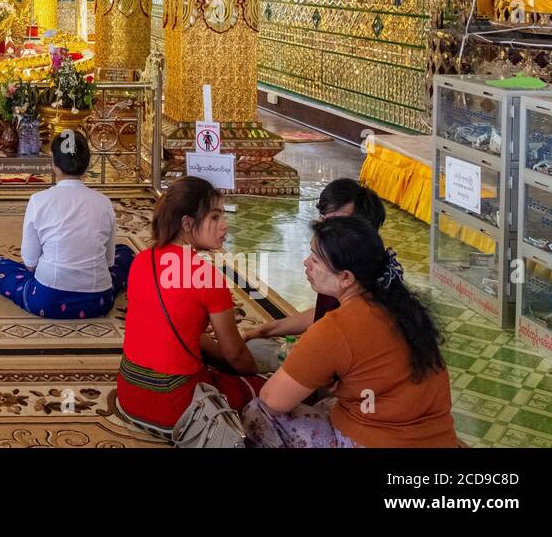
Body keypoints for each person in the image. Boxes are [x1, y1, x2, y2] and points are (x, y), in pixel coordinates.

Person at [242, 216, 457, 447]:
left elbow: (272, 400)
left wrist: (312, 370)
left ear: (346, 277)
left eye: (315, 259)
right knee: (329, 405)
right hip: (436, 437)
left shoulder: (335, 328)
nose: (306, 263)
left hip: (378, 440)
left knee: (256, 413)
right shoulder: (401, 307)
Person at [116, 176, 262, 436]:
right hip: (177, 409)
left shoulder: (141, 260)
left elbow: (172, 329)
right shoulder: (206, 276)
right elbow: (236, 356)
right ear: (187, 224)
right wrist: (258, 372)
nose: (224, 226)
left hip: (129, 396)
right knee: (264, 390)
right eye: (215, 218)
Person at [0, 132, 135, 319]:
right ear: (87, 164)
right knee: (126, 254)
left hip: (47, 299)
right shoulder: (103, 202)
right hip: (99, 300)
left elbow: (30, 264)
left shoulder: (39, 200)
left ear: (54, 164)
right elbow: (109, 261)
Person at [242, 179, 387, 344]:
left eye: (335, 223)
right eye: (322, 219)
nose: (322, 229)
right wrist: (267, 330)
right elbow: (323, 313)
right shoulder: (338, 265)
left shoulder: (361, 290)